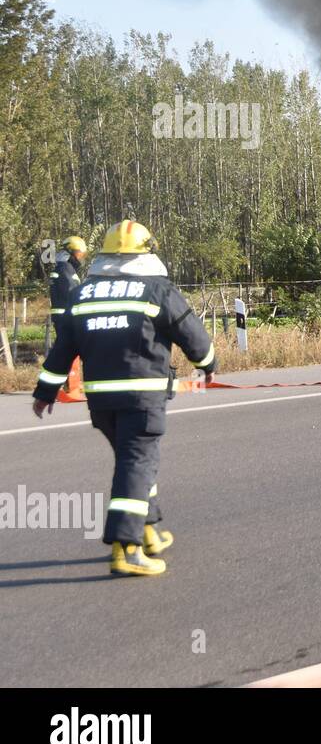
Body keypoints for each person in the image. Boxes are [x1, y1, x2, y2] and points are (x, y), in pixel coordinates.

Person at [31, 220, 216, 577]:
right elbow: (191, 332)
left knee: (134, 461)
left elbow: (63, 348)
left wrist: (44, 392)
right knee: (137, 463)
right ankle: (126, 548)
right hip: (141, 397)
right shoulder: (157, 290)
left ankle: (149, 532)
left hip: (101, 402)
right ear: (146, 252)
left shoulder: (83, 294)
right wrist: (207, 365)